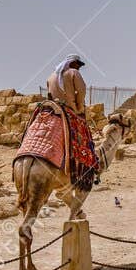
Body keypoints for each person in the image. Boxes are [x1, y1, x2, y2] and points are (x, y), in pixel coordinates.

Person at [44, 54, 97, 186]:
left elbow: (49, 94)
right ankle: (84, 169)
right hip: (69, 109)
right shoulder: (73, 72)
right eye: (78, 65)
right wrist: (78, 107)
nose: (79, 68)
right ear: (72, 63)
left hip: (53, 109)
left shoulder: (51, 77)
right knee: (84, 137)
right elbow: (82, 90)